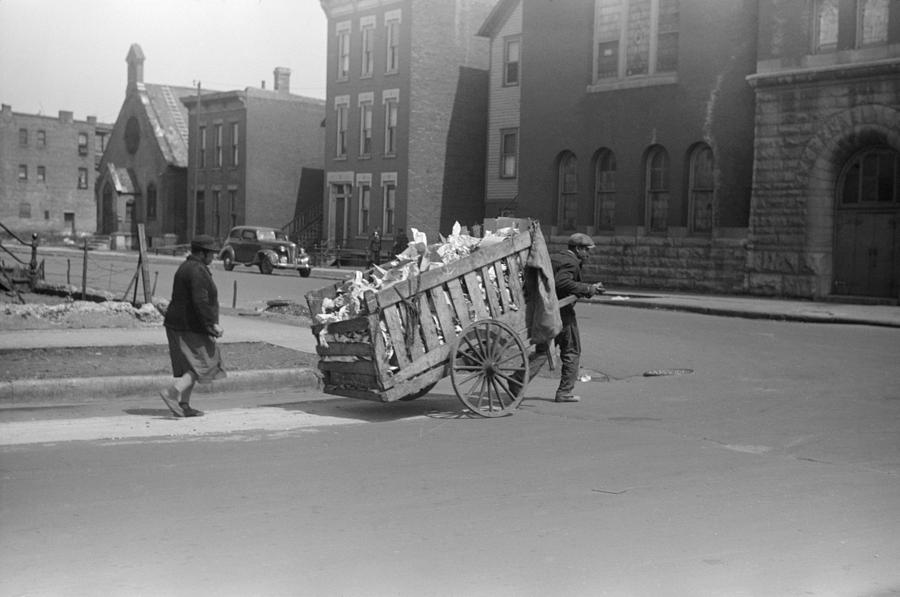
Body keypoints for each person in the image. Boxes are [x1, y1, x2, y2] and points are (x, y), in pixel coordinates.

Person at [158, 234, 226, 417]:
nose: (213, 257)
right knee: (207, 363)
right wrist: (211, 325)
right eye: (211, 253)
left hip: (180, 323)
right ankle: (172, 393)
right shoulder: (197, 270)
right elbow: (201, 302)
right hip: (188, 325)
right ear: (203, 253)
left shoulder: (188, 266)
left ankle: (184, 405)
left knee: (192, 366)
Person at [550, 232, 604, 403]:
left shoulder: (557, 258)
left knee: (544, 350)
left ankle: (516, 383)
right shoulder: (571, 263)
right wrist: (588, 289)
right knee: (572, 350)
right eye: (586, 250)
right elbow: (562, 283)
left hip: (548, 311)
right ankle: (565, 392)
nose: (588, 254)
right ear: (578, 249)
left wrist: (589, 288)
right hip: (562, 312)